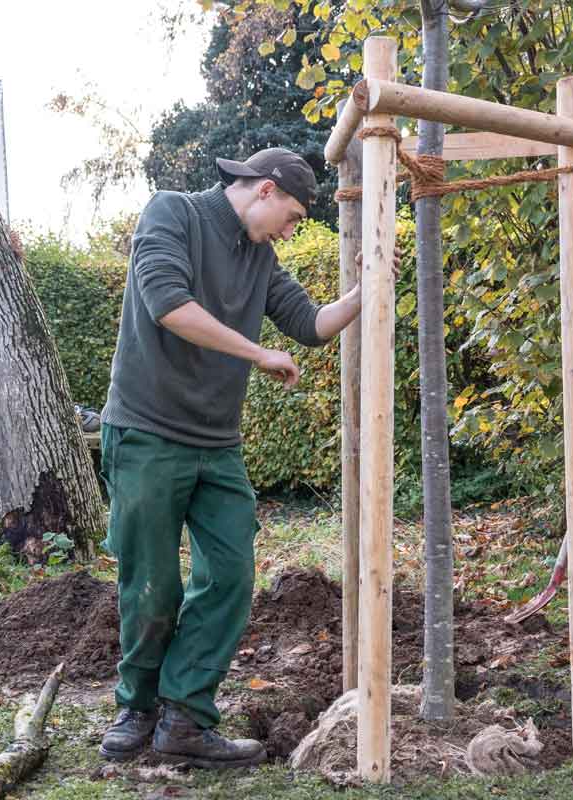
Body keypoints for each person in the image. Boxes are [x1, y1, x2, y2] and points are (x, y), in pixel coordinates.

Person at [97, 147, 385, 767]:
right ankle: (137, 706)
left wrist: (367, 289)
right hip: (147, 433)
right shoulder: (171, 215)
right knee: (152, 585)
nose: (292, 229)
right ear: (264, 190)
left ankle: (185, 717)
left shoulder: (261, 258)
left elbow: (309, 323)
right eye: (292, 215)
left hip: (216, 446)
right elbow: (168, 306)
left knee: (229, 575)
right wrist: (256, 355)